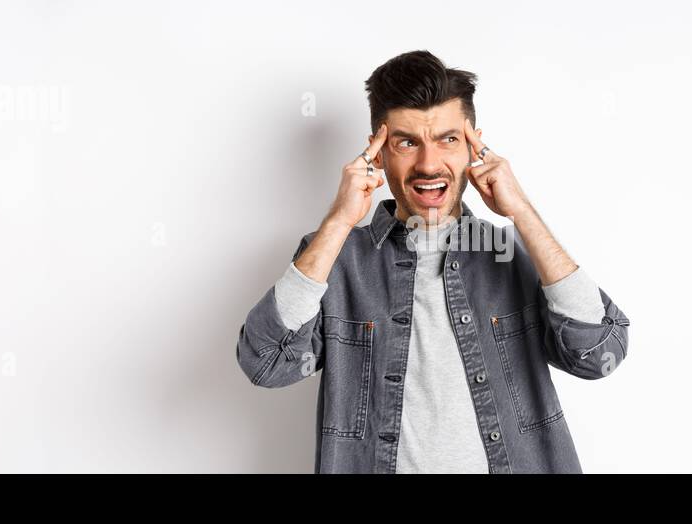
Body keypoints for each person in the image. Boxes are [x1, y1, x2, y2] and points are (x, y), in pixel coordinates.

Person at [236, 50, 630, 473]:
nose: (428, 164)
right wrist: (338, 220)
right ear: (379, 153)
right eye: (407, 142)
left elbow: (599, 353)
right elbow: (266, 365)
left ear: (473, 149)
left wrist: (522, 212)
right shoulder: (336, 259)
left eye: (448, 139)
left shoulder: (515, 252)